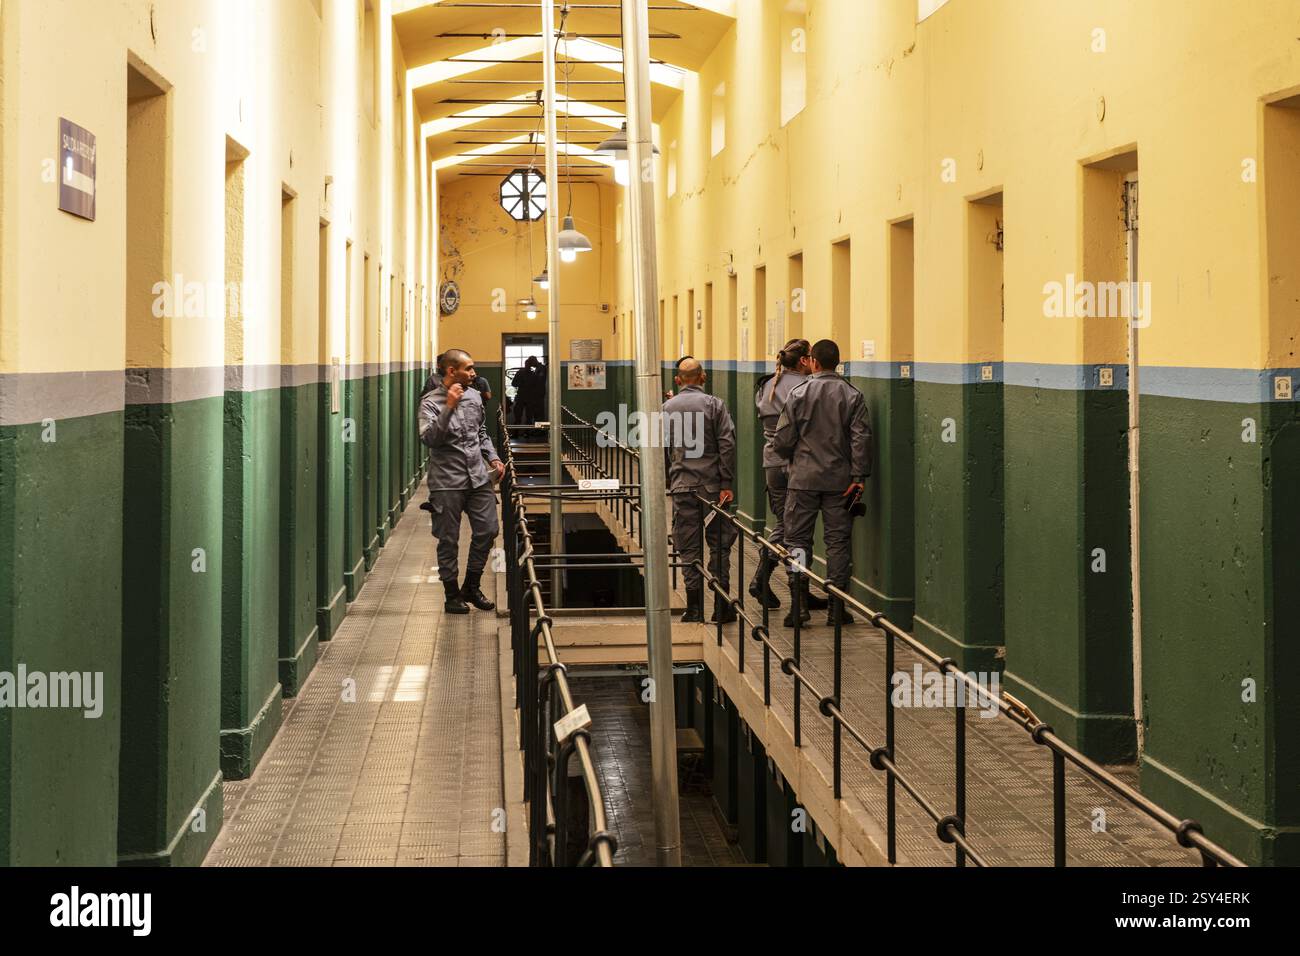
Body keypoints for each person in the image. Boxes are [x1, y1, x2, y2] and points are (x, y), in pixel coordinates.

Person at [772, 339, 872, 626]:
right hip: (840, 482)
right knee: (838, 543)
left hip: (802, 480)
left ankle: (799, 606)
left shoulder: (798, 393)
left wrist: (792, 457)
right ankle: (837, 609)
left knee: (798, 541)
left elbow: (782, 439)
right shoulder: (853, 395)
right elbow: (860, 439)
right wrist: (858, 477)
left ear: (813, 362)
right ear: (836, 363)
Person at [418, 348, 505, 614]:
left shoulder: (476, 396)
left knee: (489, 529)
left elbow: (481, 432)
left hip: (478, 477)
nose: (474, 373)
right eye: (469, 368)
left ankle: (472, 584)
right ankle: (451, 595)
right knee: (449, 539)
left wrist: (493, 457)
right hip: (447, 481)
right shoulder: (430, 403)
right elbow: (429, 438)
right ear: (451, 371)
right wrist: (449, 408)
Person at [748, 338, 828, 620]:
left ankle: (794, 591)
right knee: (796, 533)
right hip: (796, 464)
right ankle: (767, 581)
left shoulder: (765, 385)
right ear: (805, 360)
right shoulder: (804, 388)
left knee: (784, 524)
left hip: (771, 462)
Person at [662, 358, 738, 624]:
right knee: (720, 545)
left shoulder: (666, 408)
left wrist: (669, 479)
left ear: (678, 380)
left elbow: (661, 449)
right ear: (703, 378)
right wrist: (726, 483)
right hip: (713, 488)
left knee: (688, 546)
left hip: (683, 486)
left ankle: (694, 608)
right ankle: (721, 606)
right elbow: (727, 445)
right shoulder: (715, 405)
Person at [513, 355, 546, 424]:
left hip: (528, 398)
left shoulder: (533, 373)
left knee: (526, 418)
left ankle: (521, 433)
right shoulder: (531, 373)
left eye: (530, 364)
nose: (529, 366)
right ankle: (522, 433)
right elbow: (514, 384)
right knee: (525, 418)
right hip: (527, 398)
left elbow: (514, 384)